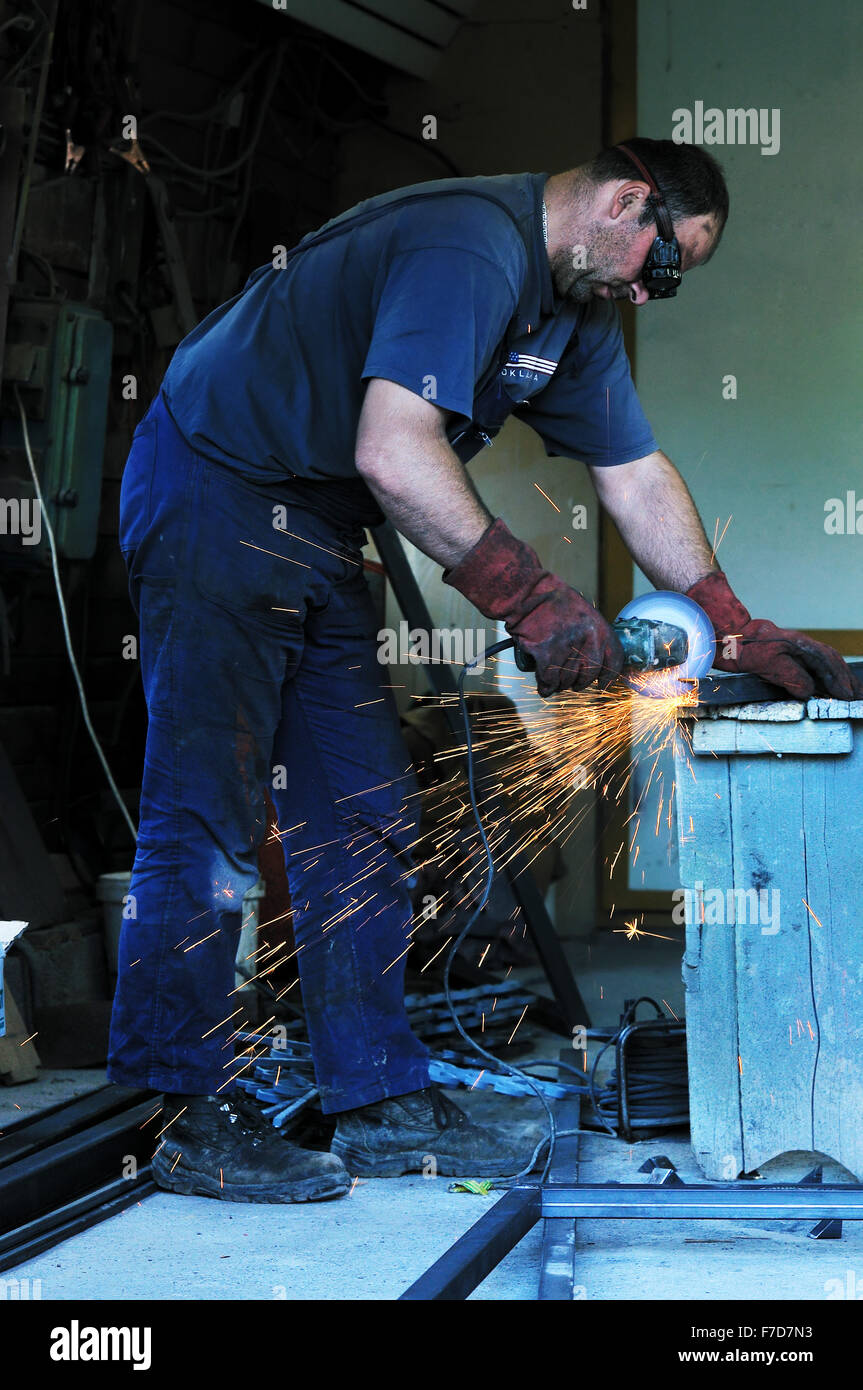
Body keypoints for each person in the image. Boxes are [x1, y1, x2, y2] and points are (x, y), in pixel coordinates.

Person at [108, 137, 860, 1202]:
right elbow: (392, 447)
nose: (652, 293)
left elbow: (634, 473)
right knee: (208, 808)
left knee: (362, 811)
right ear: (624, 200)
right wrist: (528, 594)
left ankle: (377, 1100)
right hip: (215, 488)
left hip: (317, 522)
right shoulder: (468, 245)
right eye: (662, 265)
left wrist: (729, 622)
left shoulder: (574, 319)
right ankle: (177, 1111)